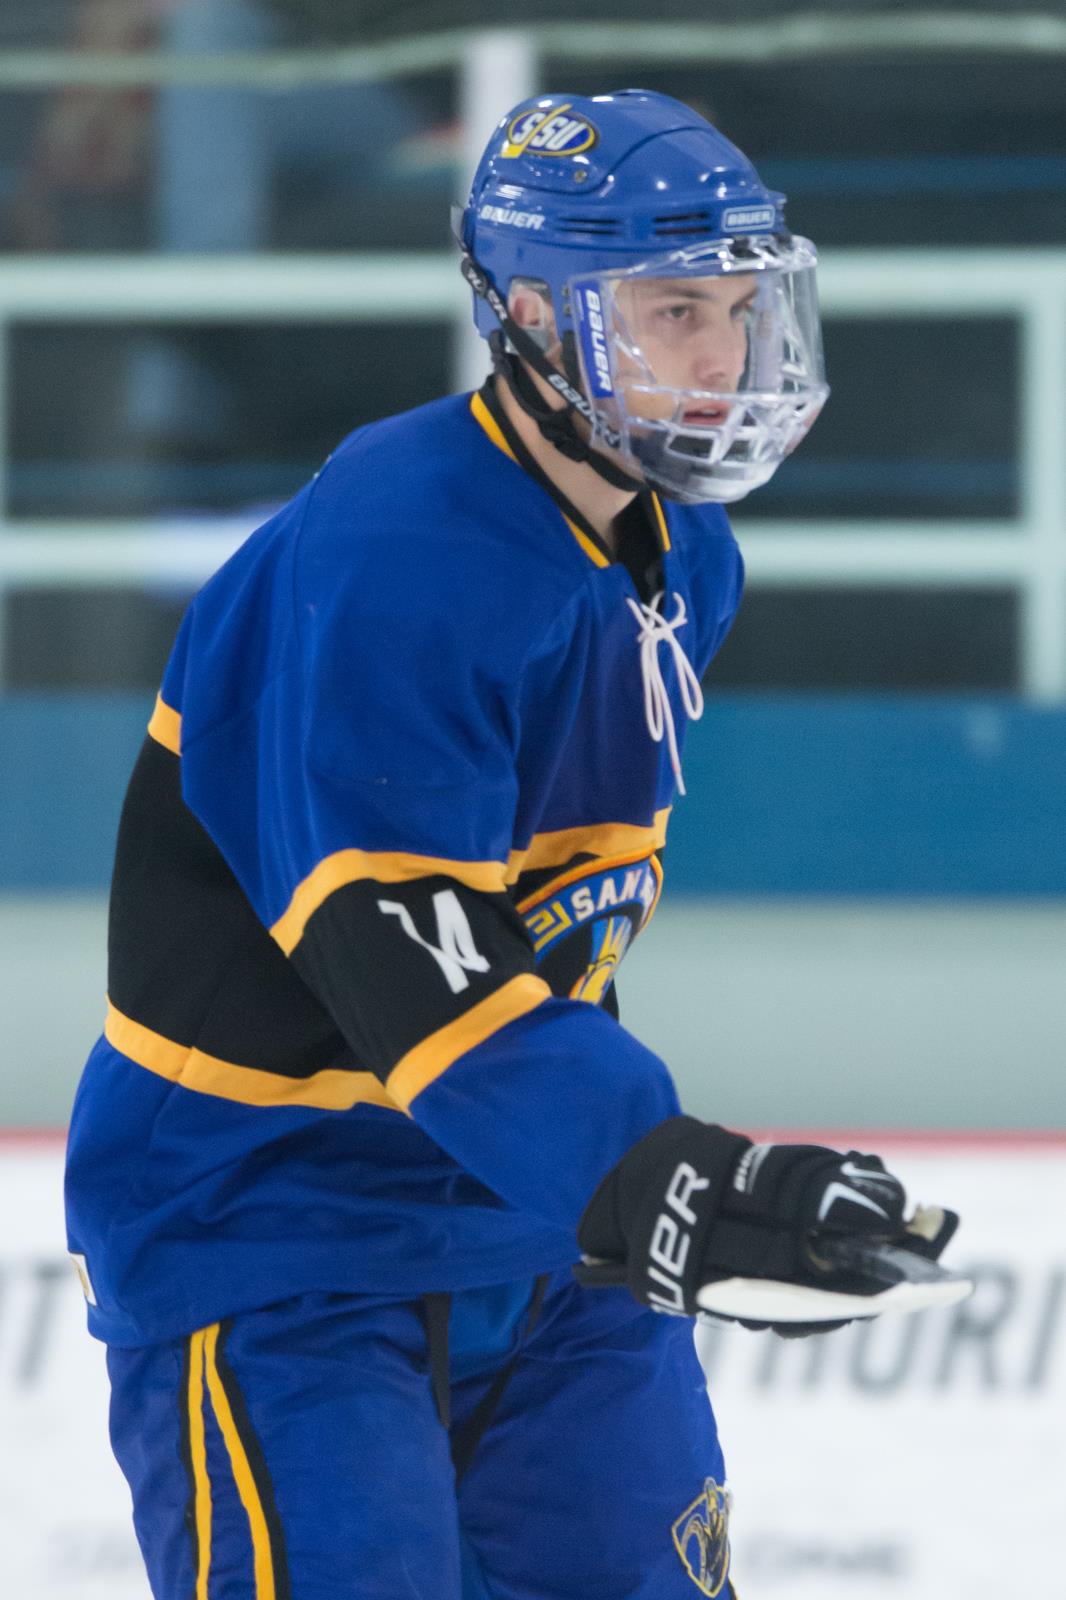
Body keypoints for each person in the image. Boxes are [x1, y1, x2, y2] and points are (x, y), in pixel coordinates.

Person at [65, 89, 963, 1600]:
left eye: (740, 308)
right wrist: (667, 1172)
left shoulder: (686, 548)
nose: (725, 356)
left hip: (533, 1220)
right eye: (673, 310)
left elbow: (551, 923)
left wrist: (635, 1180)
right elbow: (406, 953)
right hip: (277, 1226)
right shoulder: (387, 554)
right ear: (534, 317)